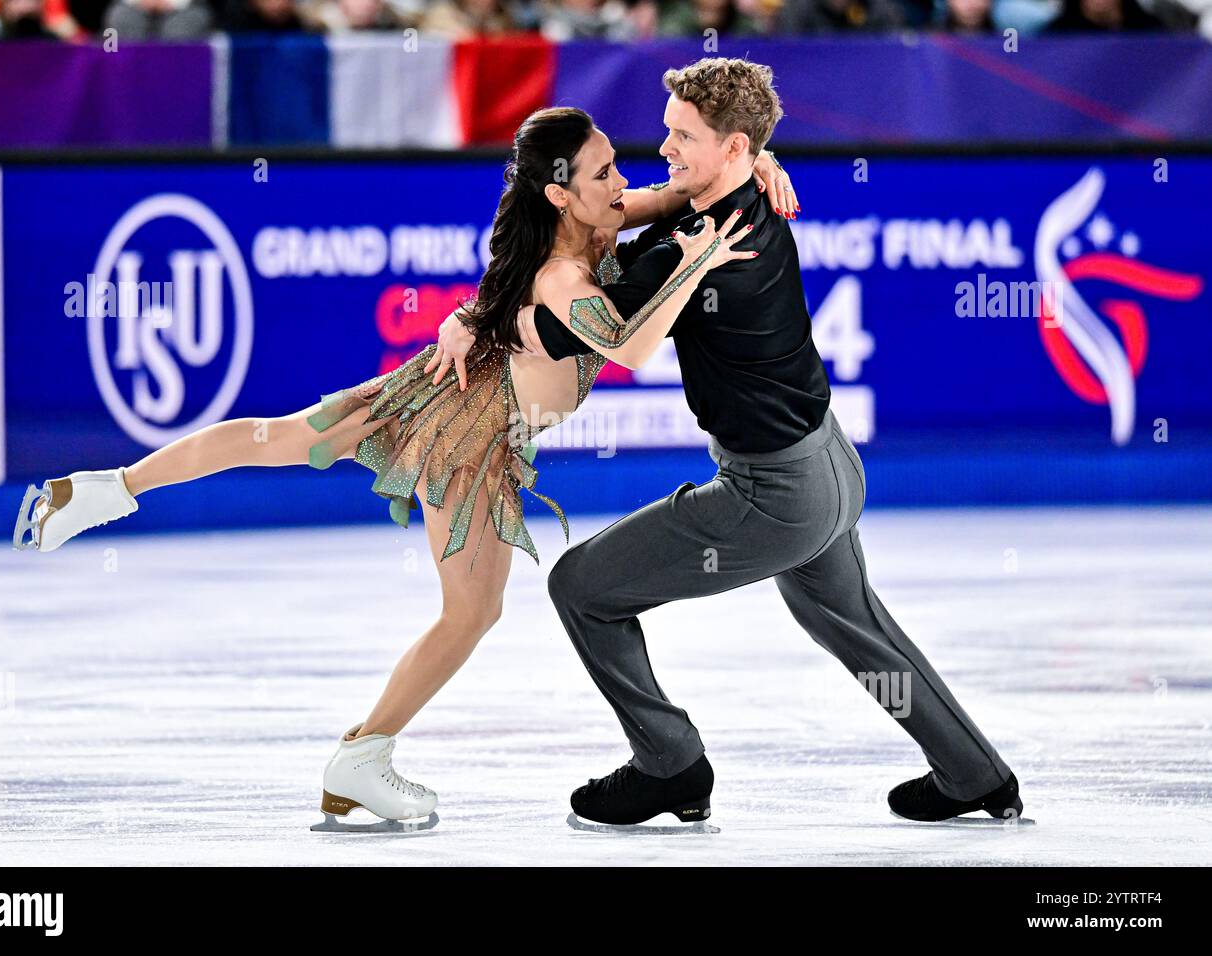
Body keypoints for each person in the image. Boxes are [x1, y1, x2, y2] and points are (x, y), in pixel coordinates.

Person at [14, 107, 790, 831]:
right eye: (605, 172)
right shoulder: (562, 278)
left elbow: (682, 190)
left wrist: (755, 163)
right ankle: (362, 756)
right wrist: (699, 262)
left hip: (436, 388)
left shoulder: (596, 216)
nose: (624, 182)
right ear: (560, 193)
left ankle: (103, 491)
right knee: (469, 613)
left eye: (617, 166)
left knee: (274, 436)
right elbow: (629, 346)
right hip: (470, 435)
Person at [435, 57, 1023, 829]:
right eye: (669, 129)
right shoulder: (743, 201)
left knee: (581, 588)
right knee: (850, 623)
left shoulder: (707, 249)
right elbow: (665, 206)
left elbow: (583, 328)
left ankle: (669, 764)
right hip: (830, 467)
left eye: (684, 136)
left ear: (735, 146)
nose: (666, 147)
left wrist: (477, 319)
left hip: (773, 495)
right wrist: (761, 161)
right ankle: (974, 772)